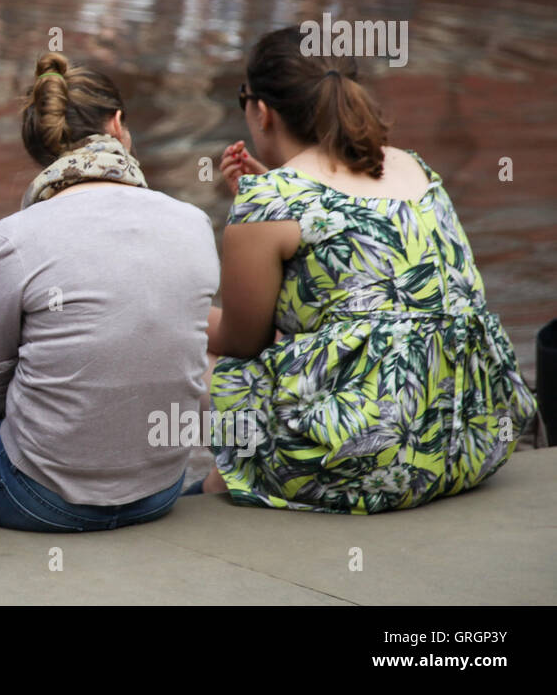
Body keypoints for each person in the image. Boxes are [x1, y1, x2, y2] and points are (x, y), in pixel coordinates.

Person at [200, 27, 538, 511]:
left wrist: (172, 317)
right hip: (469, 440)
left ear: (263, 110)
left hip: (371, 464)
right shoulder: (410, 166)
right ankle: (222, 481)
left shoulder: (270, 202)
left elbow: (241, 342)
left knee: (213, 363)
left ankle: (216, 487)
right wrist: (264, 204)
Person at [0, 52, 219, 532]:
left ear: (41, 145)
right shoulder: (194, 223)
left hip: (38, 497)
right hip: (159, 489)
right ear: (118, 124)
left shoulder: (9, 240)